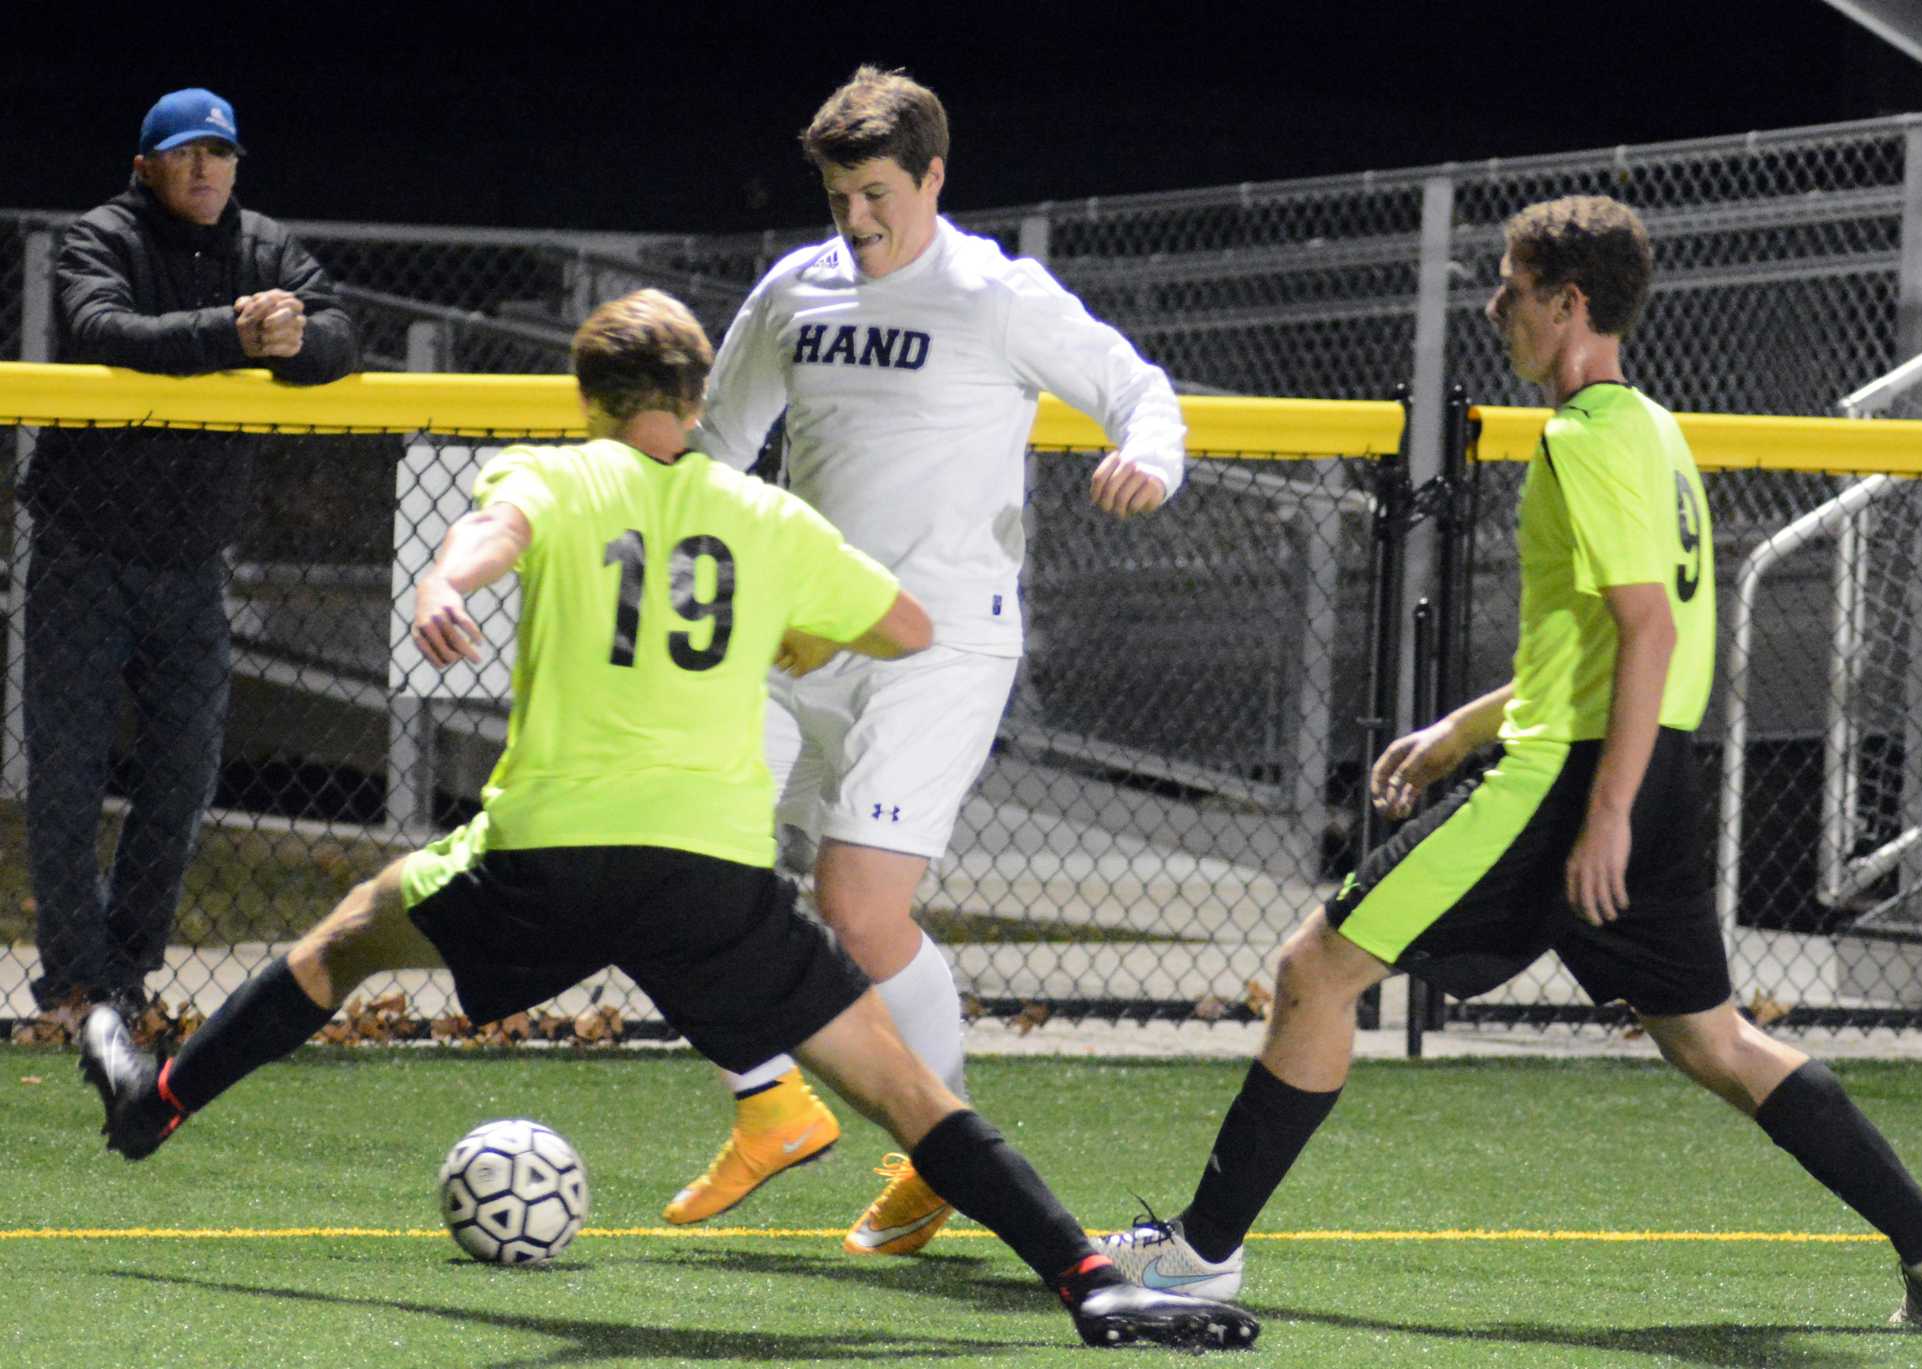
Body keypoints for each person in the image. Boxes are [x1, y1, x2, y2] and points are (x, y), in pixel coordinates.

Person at [76, 290, 1258, 1352]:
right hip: (708, 873)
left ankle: (156, 1103)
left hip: (547, 852)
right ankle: (1091, 1279)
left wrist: (445, 588)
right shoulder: (761, 513)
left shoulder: (556, 472)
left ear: (588, 399)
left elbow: (487, 538)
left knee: (340, 941)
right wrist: (796, 631)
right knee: (901, 1089)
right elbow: (906, 627)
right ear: (697, 401)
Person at [1091, 196, 1922, 1329]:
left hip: (1569, 785)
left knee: (1311, 972)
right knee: (1709, 1039)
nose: (1493, 305)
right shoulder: (1653, 428)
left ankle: (1201, 1254)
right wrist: (1463, 730)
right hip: (1639, 767)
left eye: (1510, 287)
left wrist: (1600, 812)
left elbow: (1646, 633)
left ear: (1566, 304)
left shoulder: (1582, 438)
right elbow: (1604, 643)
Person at [662, 65, 1187, 1255]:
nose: (858, 220)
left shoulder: (995, 293)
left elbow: (1135, 390)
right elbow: (719, 447)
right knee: (687, 858)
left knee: (856, 904)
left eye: (880, 194)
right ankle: (769, 1103)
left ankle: (935, 1152)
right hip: (798, 639)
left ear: (934, 177)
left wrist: (1148, 458)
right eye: (841, 195)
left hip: (939, 646)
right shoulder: (796, 289)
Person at [21, 87, 358, 1037]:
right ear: (147, 166)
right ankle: (78, 984)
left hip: (190, 560)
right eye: (185, 154)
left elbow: (338, 334)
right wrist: (235, 335)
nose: (207, 168)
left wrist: (292, 340)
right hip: (84, 550)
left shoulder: (265, 244)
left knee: (181, 777)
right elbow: (101, 330)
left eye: (221, 153)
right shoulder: (104, 234)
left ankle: (123, 974)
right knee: (67, 776)